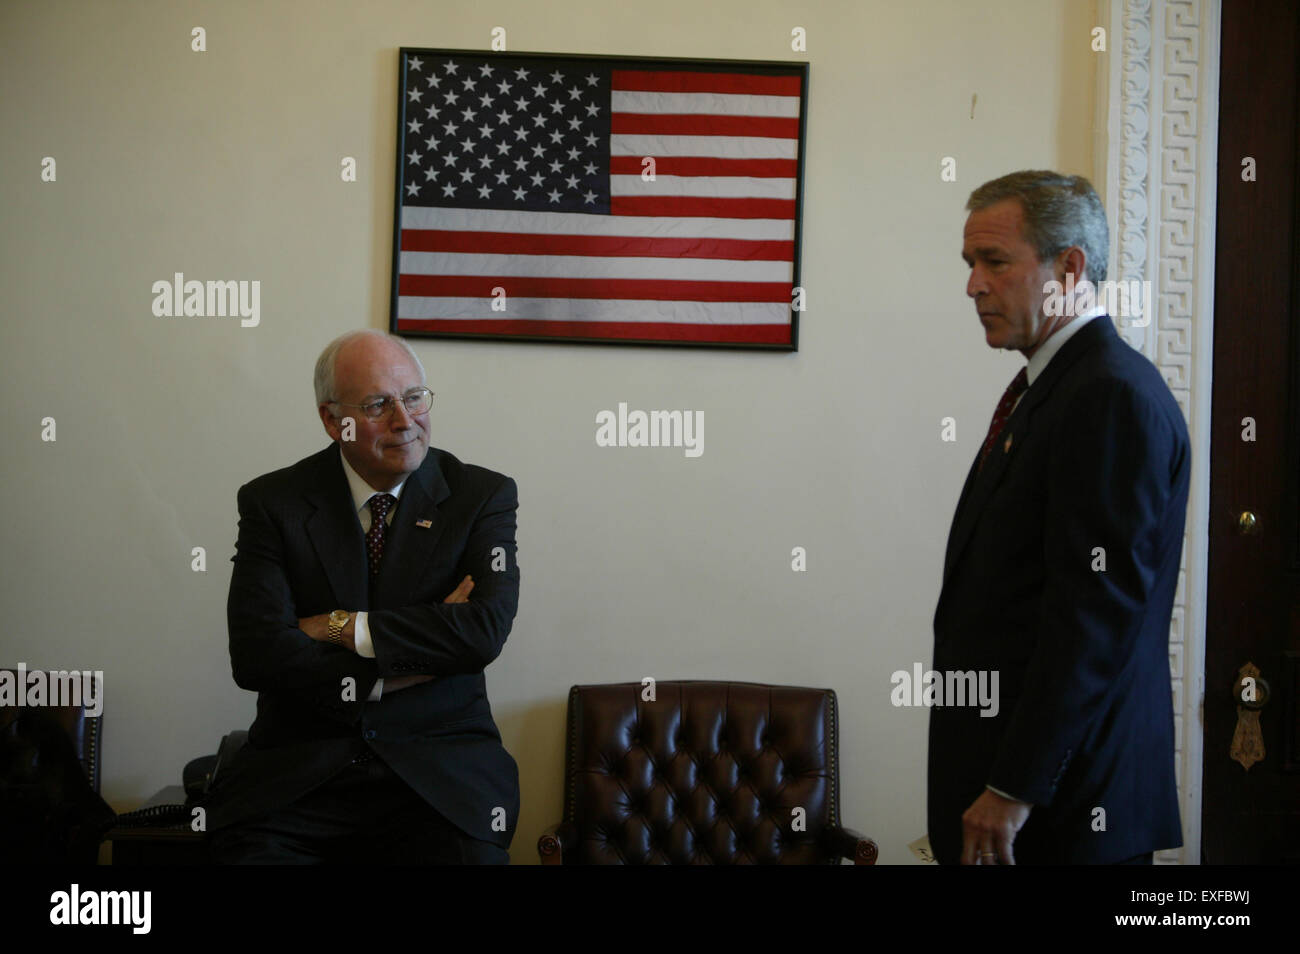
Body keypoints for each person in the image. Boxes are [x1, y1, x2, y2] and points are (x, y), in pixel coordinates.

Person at [928, 170, 1188, 865]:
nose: (974, 285)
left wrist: (1013, 788)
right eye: (970, 264)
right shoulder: (1058, 388)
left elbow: (1093, 620)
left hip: (1065, 816)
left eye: (995, 261)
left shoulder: (1107, 396)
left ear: (1068, 268)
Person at [204, 329, 520, 863]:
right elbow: (256, 654)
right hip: (299, 778)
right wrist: (399, 667)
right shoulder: (272, 502)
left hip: (439, 778)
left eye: (414, 397)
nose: (405, 420)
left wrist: (337, 626)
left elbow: (482, 633)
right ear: (333, 420)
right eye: (378, 404)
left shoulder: (480, 496)